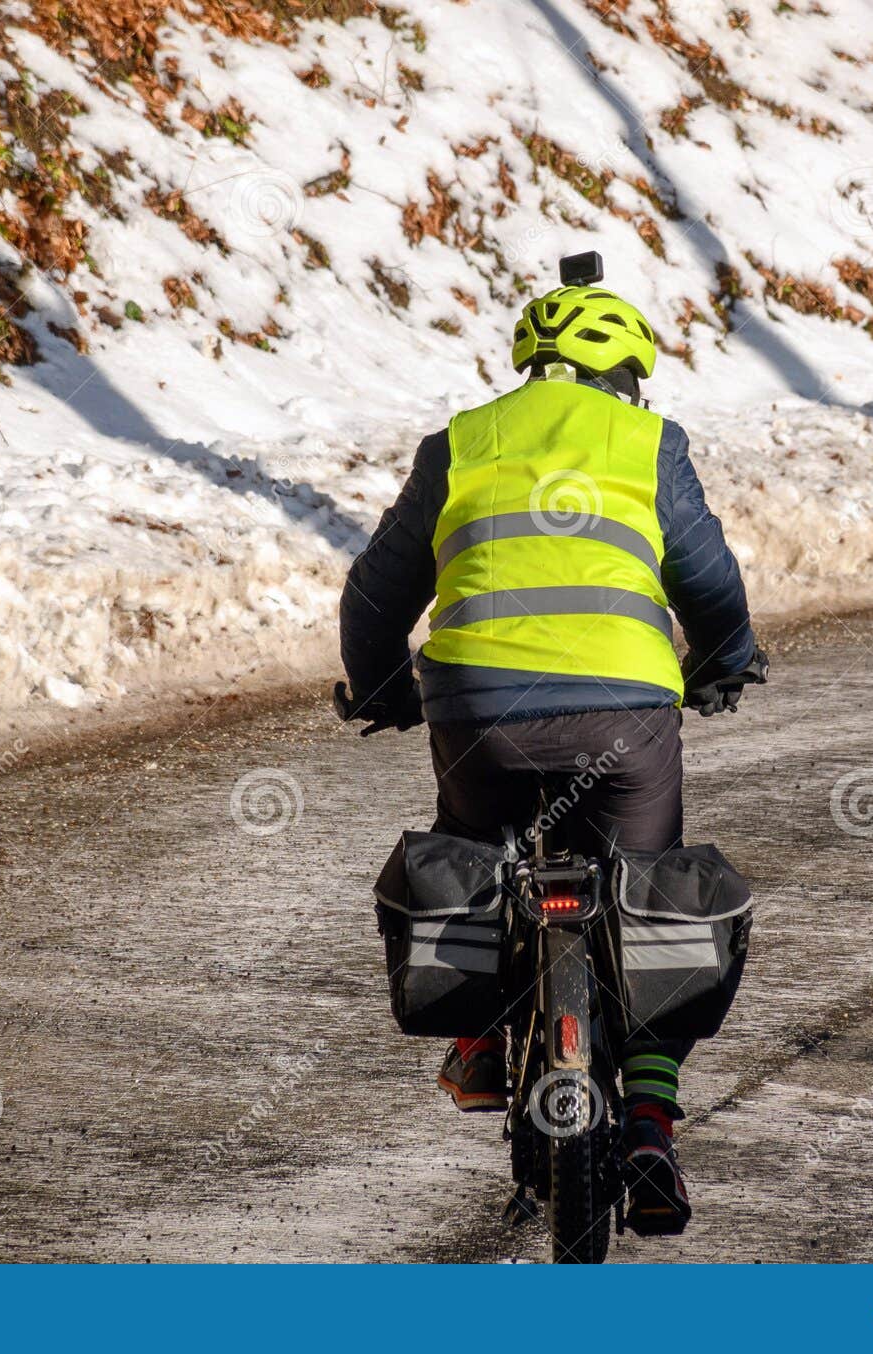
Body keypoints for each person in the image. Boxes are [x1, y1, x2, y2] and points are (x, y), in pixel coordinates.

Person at [337, 260, 766, 1235]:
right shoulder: (647, 439)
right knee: (653, 890)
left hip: (476, 709)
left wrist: (378, 689)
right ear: (627, 371)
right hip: (623, 712)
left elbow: (374, 595)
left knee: (474, 854)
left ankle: (484, 1043)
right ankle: (650, 1122)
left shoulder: (461, 442)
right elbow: (706, 578)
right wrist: (727, 661)